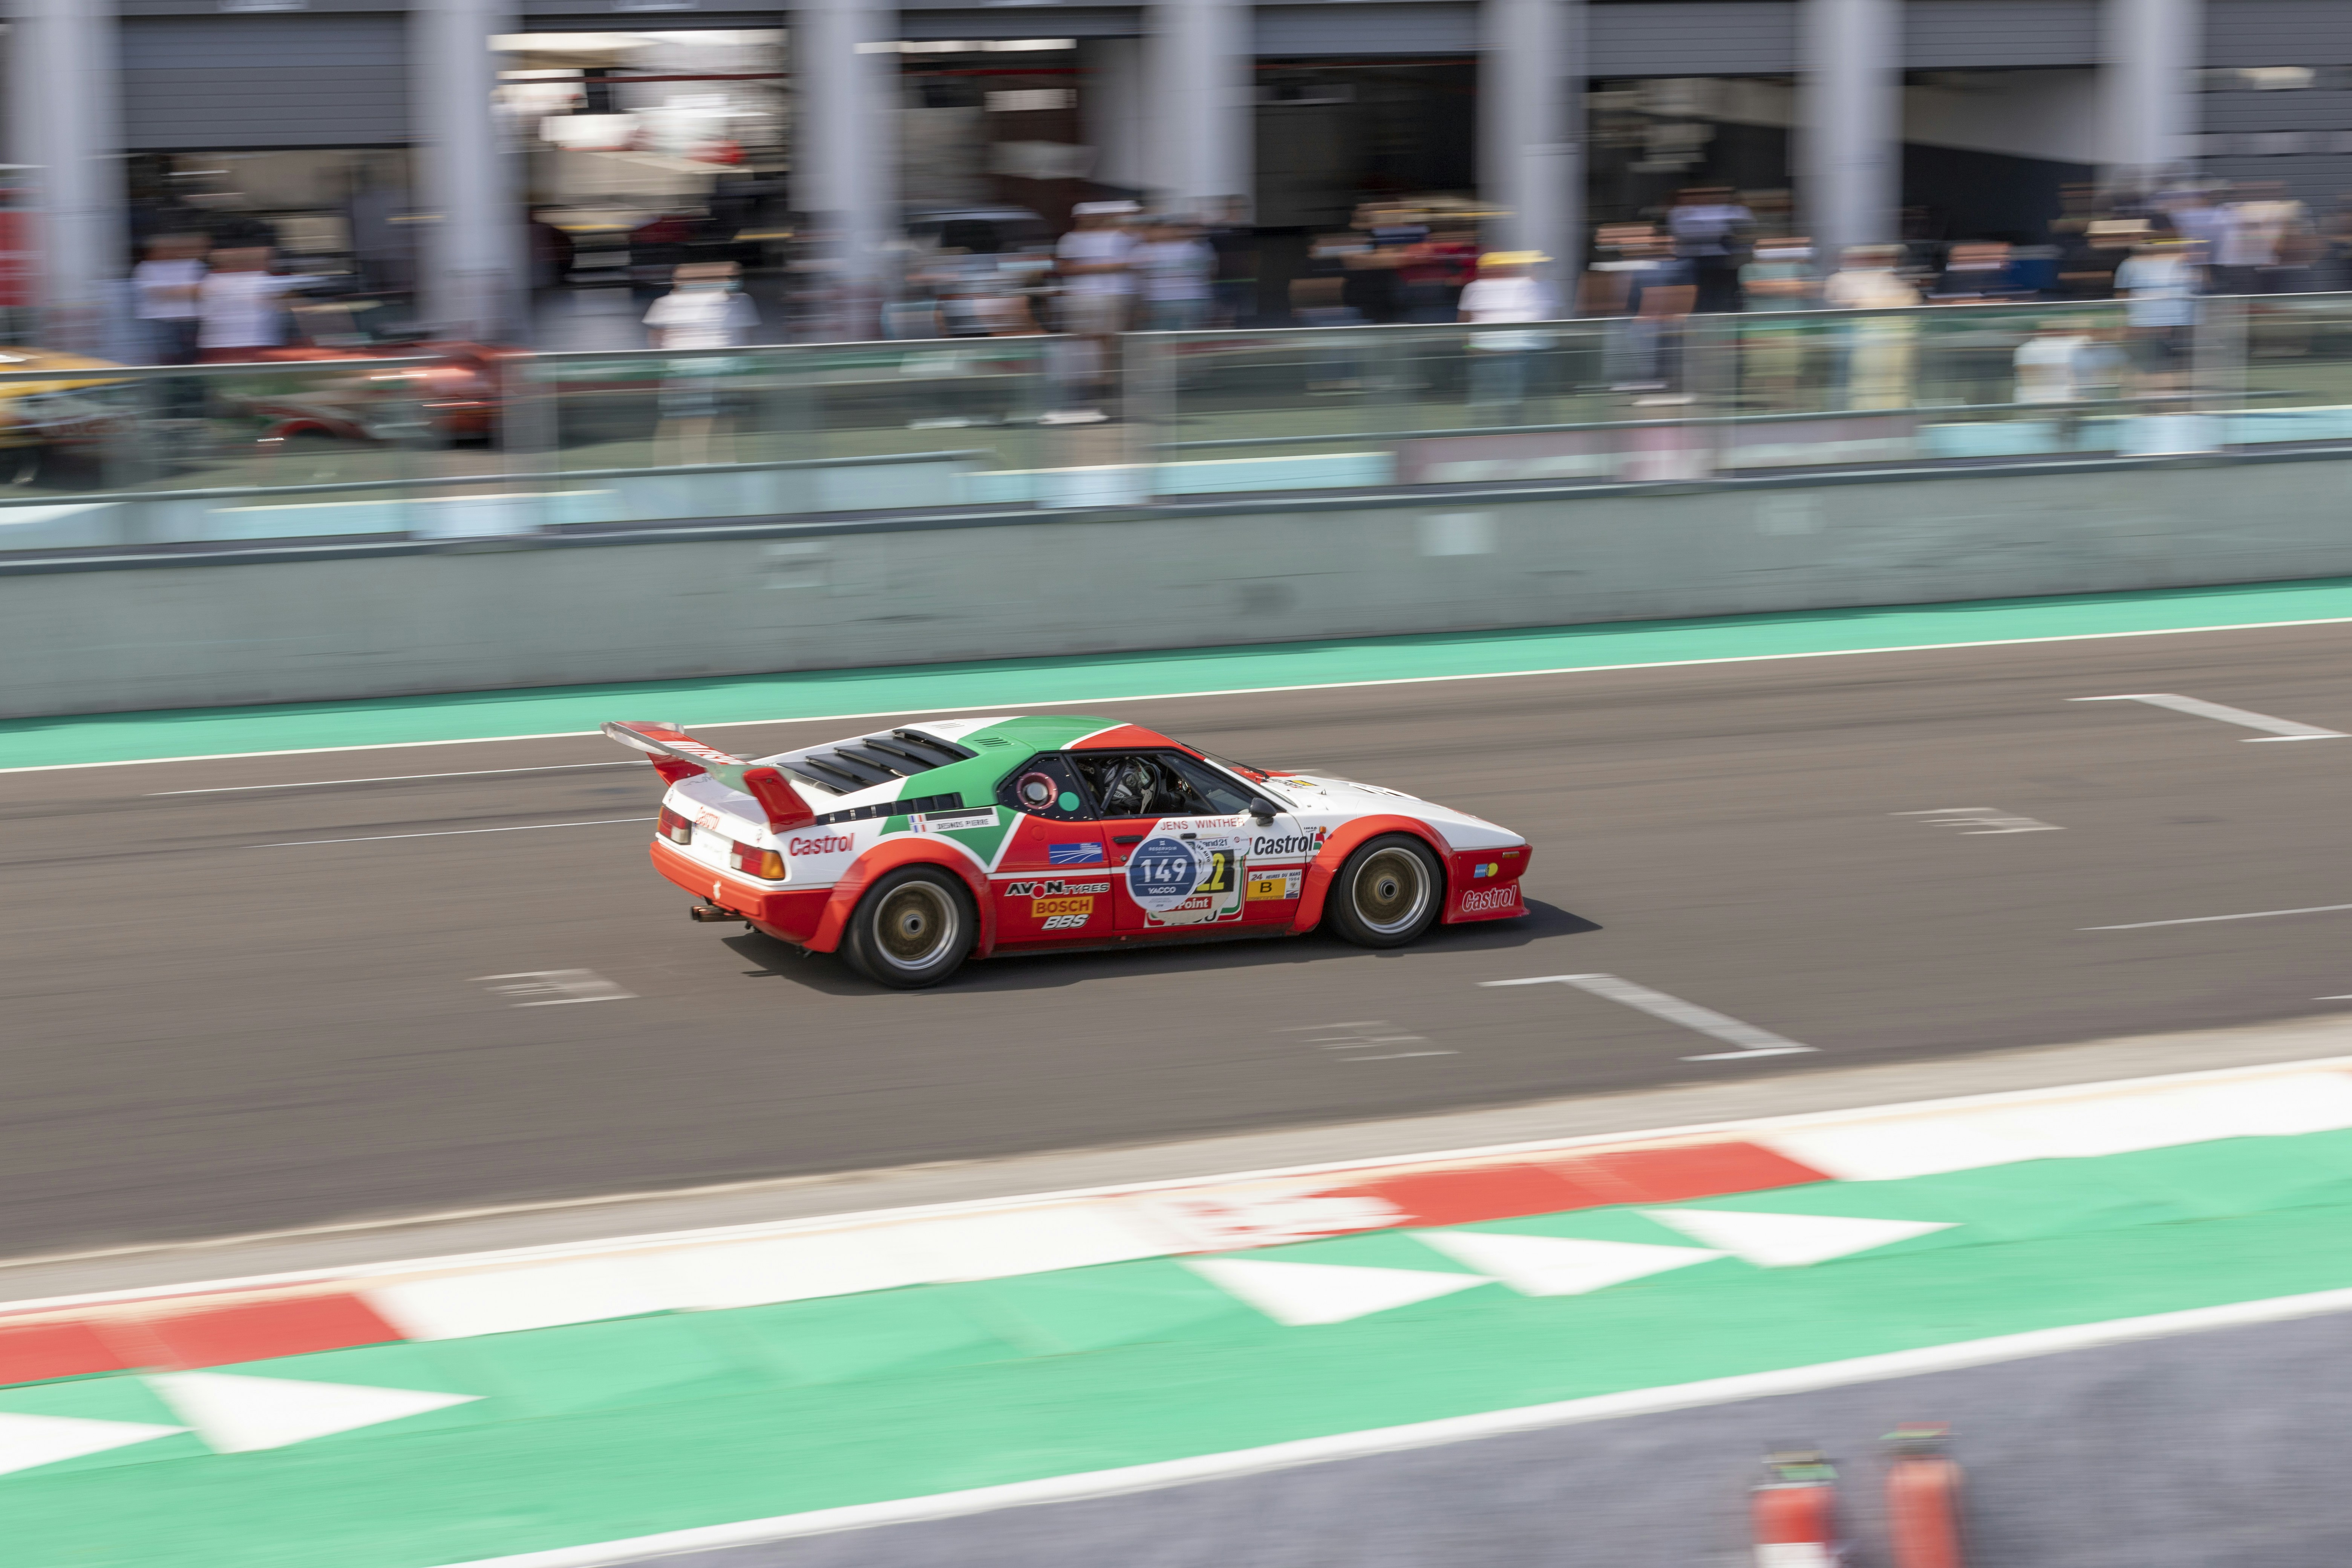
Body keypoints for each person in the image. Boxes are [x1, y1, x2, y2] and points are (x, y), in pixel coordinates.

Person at [643, 259, 760, 462]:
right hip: (687, 374)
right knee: (690, 425)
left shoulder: (740, 301)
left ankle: (719, 467)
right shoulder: (668, 303)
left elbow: (745, 337)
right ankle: (688, 468)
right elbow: (658, 336)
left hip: (723, 374)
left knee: (721, 424)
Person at [1047, 201, 1136, 423]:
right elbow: (1064, 268)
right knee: (1082, 344)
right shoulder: (1071, 240)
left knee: (1109, 346)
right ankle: (1080, 396)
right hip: (1082, 298)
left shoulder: (1123, 237)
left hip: (1114, 297)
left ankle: (1102, 398)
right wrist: (1110, 267)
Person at [1457, 250, 1558, 421]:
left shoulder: (1529, 285)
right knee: (1489, 402)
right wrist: (1470, 348)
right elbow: (1464, 322)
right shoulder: (1475, 288)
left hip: (1516, 353)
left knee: (1520, 401)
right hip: (1488, 354)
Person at [1822, 244, 1921, 410]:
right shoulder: (1840, 279)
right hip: (1865, 343)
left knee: (1895, 383)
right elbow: (1845, 301)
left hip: (1896, 344)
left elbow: (1911, 300)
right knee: (1865, 385)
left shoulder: (1890, 278)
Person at [2112, 236, 2201, 393]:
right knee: (2154, 369)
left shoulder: (2183, 263)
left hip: (2172, 326)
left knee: (2169, 370)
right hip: (2148, 327)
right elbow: (2122, 296)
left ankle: (2167, 401)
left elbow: (2122, 297)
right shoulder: (2131, 265)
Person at [1738, 237, 1818, 410]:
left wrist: (1776, 286)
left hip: (1791, 330)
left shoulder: (1802, 267)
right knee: (1757, 375)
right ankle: (1756, 414)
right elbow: (1754, 287)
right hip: (1757, 331)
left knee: (1786, 375)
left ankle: (1782, 412)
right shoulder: (1748, 269)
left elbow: (1808, 289)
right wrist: (1790, 286)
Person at [196, 247, 315, 361]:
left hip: (216, 347)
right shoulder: (261, 280)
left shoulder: (210, 280)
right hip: (257, 347)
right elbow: (300, 303)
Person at [1668, 187, 1753, 313]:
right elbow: (1684, 235)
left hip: (1727, 264)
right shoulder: (1681, 213)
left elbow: (1747, 235)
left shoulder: (1737, 212)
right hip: (1698, 265)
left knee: (1725, 299)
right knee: (1705, 299)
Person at [132, 234, 206, 366]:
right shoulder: (145, 268)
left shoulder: (193, 264)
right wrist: (186, 290)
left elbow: (200, 291)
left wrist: (168, 291)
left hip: (188, 319)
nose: (168, 252)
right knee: (164, 358)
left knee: (190, 357)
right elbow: (154, 293)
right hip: (158, 320)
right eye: (163, 249)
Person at [1133, 217, 1214, 332]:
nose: (1166, 232)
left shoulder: (1196, 248)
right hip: (1159, 302)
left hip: (1191, 301)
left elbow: (1208, 273)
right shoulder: (1143, 250)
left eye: (1170, 228)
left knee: (1186, 339)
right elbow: (1139, 280)